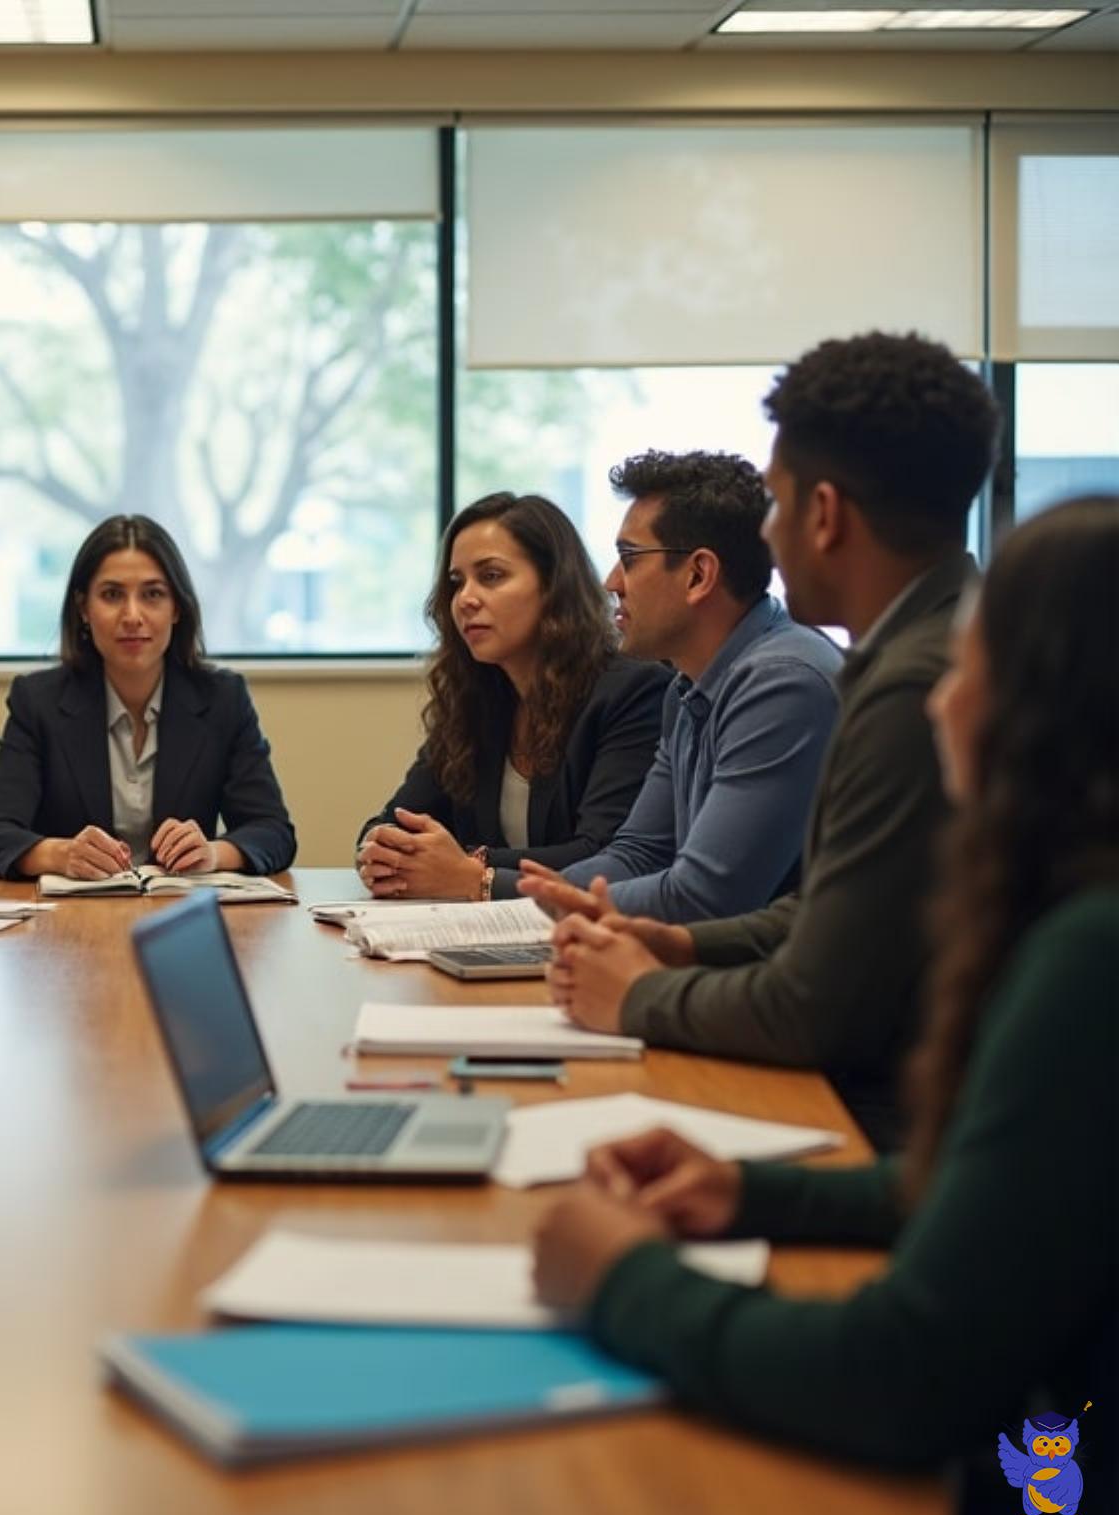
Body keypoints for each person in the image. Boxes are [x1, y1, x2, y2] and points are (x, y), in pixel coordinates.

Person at [532, 496, 1117, 1515]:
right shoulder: (1068, 914)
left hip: (1055, 1487)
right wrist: (747, 1195)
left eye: (971, 670)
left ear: (1049, 708)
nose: (939, 703)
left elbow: (894, 1375)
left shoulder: (1089, 955)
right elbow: (989, 1190)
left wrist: (622, 1279)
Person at [540, 332, 998, 1147]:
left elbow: (816, 1007)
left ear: (823, 516)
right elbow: (825, 915)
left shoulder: (914, 687)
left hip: (894, 1119)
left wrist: (636, 994)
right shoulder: (928, 648)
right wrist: (675, 943)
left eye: (779, 505)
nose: (771, 539)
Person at [517, 450, 842, 922]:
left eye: (629, 558)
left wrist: (557, 905)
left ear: (698, 575)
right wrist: (528, 903)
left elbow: (705, 897)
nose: (611, 582)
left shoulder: (783, 683)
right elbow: (638, 855)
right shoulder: (687, 685)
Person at [356, 492, 666, 901]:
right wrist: (380, 848)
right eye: (456, 582)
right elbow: (392, 820)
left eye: (491, 576)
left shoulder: (632, 691)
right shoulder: (476, 699)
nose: (465, 599)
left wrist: (465, 868)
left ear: (553, 586)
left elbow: (606, 855)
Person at [0, 515, 297, 880]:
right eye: (112, 595)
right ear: (83, 609)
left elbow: (273, 832)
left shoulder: (223, 699)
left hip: (179, 918)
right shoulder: (38, 702)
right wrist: (62, 854)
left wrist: (212, 854)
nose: (132, 616)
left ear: (176, 608)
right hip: (71, 922)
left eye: (153, 594)